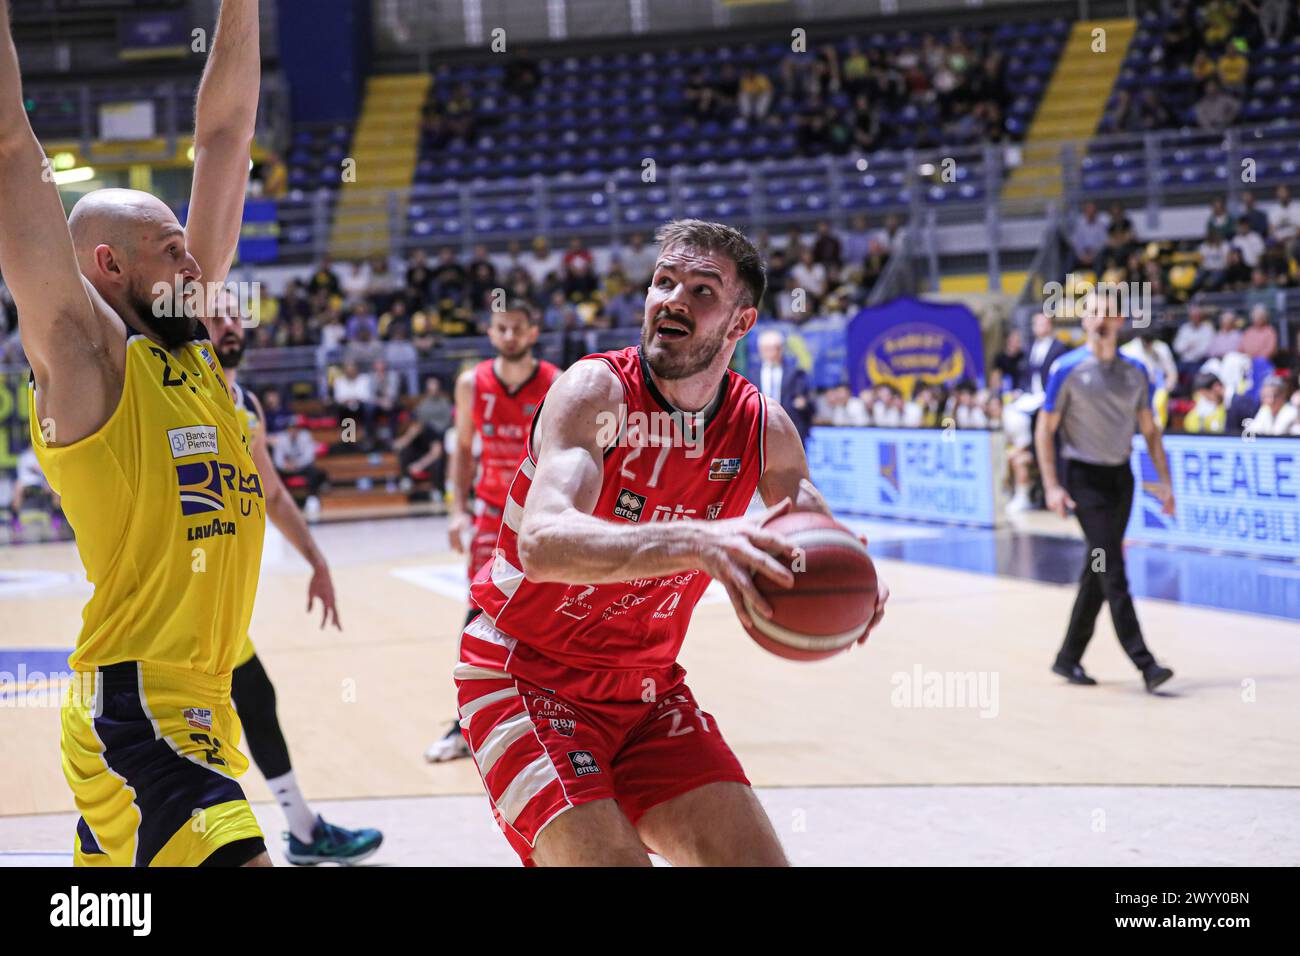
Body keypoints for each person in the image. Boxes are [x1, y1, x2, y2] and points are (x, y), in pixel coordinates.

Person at [455, 219, 889, 866]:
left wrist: (854, 576)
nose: (673, 299)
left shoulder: (763, 428)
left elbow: (812, 533)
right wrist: (697, 539)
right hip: (526, 676)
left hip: (649, 693)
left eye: (702, 290)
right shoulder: (595, 391)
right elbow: (542, 543)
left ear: (741, 324)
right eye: (664, 282)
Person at [1, 0, 273, 866]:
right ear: (109, 267)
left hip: (198, 705)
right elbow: (11, 153)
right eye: (171, 249)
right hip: (141, 709)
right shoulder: (89, 361)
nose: (197, 263)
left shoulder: (189, 354)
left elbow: (226, 132)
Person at [203, 293, 382, 864]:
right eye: (216, 316)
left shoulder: (244, 402)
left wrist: (317, 561)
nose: (231, 325)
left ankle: (301, 831)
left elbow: (273, 492)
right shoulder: (177, 392)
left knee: (253, 699)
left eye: (236, 316)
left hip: (218, 606)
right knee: (204, 726)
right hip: (179, 600)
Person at [428, 302, 561, 762]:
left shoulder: (556, 382)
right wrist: (456, 509)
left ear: (533, 332)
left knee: (546, 613)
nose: (509, 336)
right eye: (501, 328)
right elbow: (463, 449)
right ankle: (464, 722)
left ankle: (551, 714)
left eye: (517, 329)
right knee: (479, 612)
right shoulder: (472, 383)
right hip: (489, 511)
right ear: (490, 331)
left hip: (539, 513)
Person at [1035, 303, 1176, 694]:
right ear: (1084, 321)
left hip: (1121, 479)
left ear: (1119, 322)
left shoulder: (1136, 373)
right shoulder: (1066, 369)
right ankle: (1146, 664)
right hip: (1084, 480)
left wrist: (1164, 481)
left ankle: (1068, 656)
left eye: (1108, 313)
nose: (1100, 319)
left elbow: (1150, 431)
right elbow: (1045, 431)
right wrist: (1051, 485)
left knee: (1097, 568)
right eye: (1093, 312)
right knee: (1111, 566)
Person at [749, 328, 813, 443]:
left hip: (791, 431)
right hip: (761, 431)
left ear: (781, 349)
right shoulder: (752, 375)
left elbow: (809, 403)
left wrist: (803, 403)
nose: (772, 352)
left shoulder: (796, 373)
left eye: (776, 348)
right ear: (760, 350)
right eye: (767, 349)